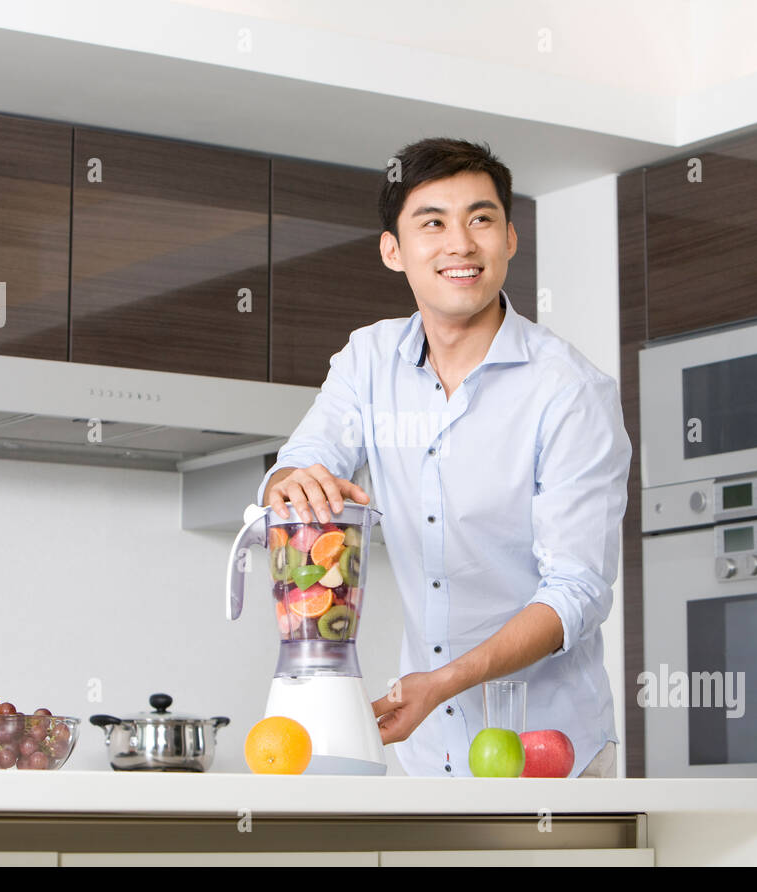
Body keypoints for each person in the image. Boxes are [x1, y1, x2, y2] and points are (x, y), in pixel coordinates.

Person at [256, 137, 632, 777]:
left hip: (548, 755)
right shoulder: (367, 362)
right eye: (432, 223)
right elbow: (302, 462)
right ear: (392, 250)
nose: (460, 243)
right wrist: (291, 486)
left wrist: (445, 682)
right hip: (424, 754)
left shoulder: (571, 393)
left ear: (509, 239)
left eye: (480, 219)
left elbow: (576, 591)